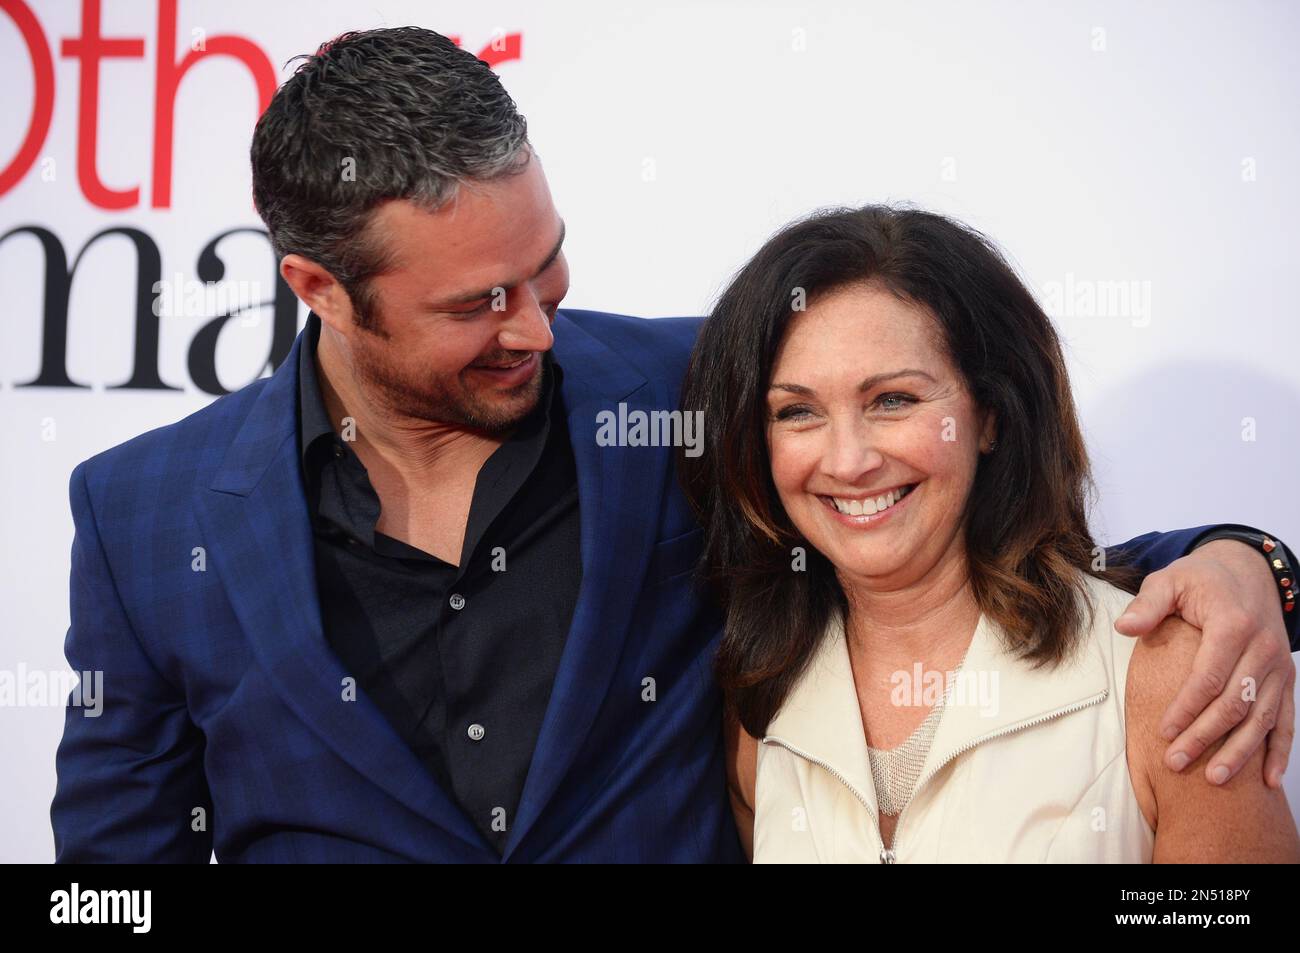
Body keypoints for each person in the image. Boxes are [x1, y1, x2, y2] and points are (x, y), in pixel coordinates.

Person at [52, 28, 1299, 863]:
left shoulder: (690, 390)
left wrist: (1241, 558)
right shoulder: (143, 511)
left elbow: (932, 525)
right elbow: (112, 867)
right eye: (478, 304)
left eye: (546, 266)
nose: (535, 326)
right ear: (321, 289)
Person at [678, 205, 1300, 862]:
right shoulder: (759, 704)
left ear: (991, 416)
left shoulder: (1170, 676)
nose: (848, 460)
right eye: (798, 411)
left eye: (893, 399)